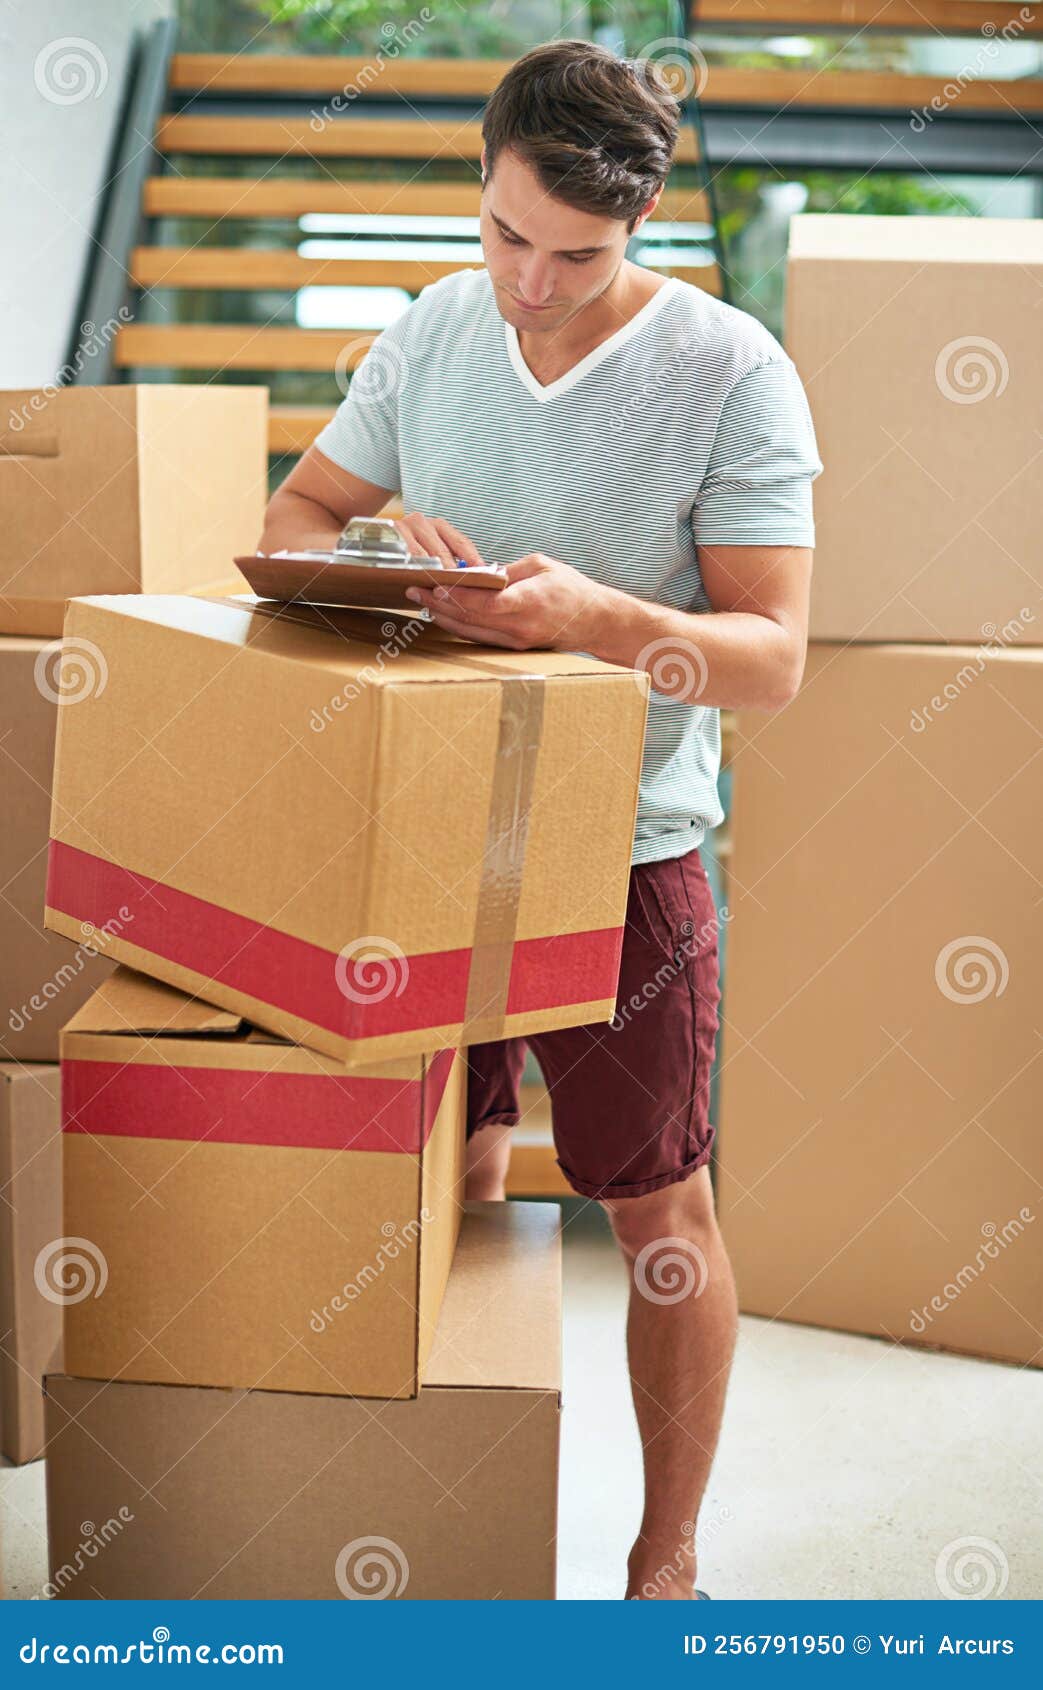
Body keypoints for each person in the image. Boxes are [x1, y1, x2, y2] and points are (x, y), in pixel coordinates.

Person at [260, 37, 823, 1600]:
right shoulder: (436, 326)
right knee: (452, 1159)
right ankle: (454, 1525)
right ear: (484, 180)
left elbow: (771, 661)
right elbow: (294, 518)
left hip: (623, 843)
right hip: (427, 819)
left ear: (636, 221)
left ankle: (666, 1561)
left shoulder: (729, 367)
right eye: (508, 234)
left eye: (575, 255)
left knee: (658, 1207)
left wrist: (584, 616)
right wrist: (374, 539)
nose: (529, 280)